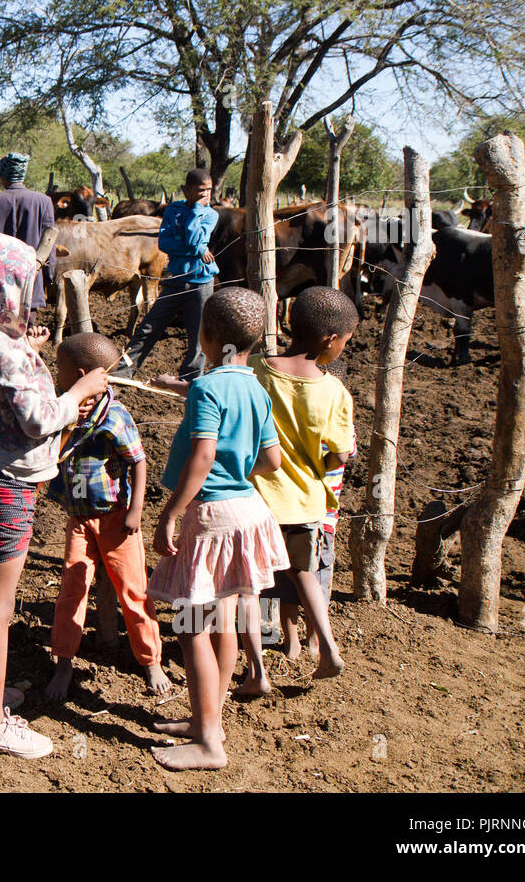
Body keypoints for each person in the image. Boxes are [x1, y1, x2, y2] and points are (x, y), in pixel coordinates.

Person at [0, 230, 108, 759]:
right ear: (10, 289)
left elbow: (0, 378)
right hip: (8, 487)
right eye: (25, 286)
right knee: (1, 602)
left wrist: (26, 352)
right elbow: (39, 419)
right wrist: (77, 393)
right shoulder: (6, 354)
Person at [147, 286, 289, 771]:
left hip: (210, 515)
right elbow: (271, 460)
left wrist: (169, 511)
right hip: (248, 511)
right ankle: (208, 718)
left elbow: (203, 455)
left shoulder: (208, 388)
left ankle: (209, 742)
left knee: (190, 629)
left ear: (205, 336)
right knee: (222, 619)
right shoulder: (256, 386)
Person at [43, 332, 173, 702]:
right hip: (79, 519)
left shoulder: (114, 416)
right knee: (72, 587)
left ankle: (151, 661)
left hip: (116, 518)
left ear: (82, 373)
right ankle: (63, 660)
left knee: (133, 589)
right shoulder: (68, 408)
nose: (57, 374)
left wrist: (136, 510)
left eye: (61, 369)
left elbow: (138, 461)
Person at [251, 286, 356, 680]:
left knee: (250, 586)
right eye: (346, 342)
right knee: (303, 573)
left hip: (256, 499)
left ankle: (256, 670)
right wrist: (317, 460)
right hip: (307, 503)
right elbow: (341, 455)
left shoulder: (256, 370)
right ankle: (327, 647)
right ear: (330, 340)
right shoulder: (334, 391)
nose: (343, 349)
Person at [112, 168, 219, 385]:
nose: (205, 194)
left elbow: (193, 236)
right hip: (176, 279)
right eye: (200, 190)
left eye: (208, 190)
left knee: (198, 336)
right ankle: (122, 373)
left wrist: (197, 210)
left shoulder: (210, 214)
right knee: (149, 326)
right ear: (186, 189)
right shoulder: (174, 210)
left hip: (201, 282)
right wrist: (198, 250)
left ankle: (190, 381)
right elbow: (164, 244)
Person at [0, 152, 56, 310]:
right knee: (28, 330)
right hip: (31, 284)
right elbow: (48, 244)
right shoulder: (44, 202)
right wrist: (47, 277)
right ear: (22, 175)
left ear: (2, 176)